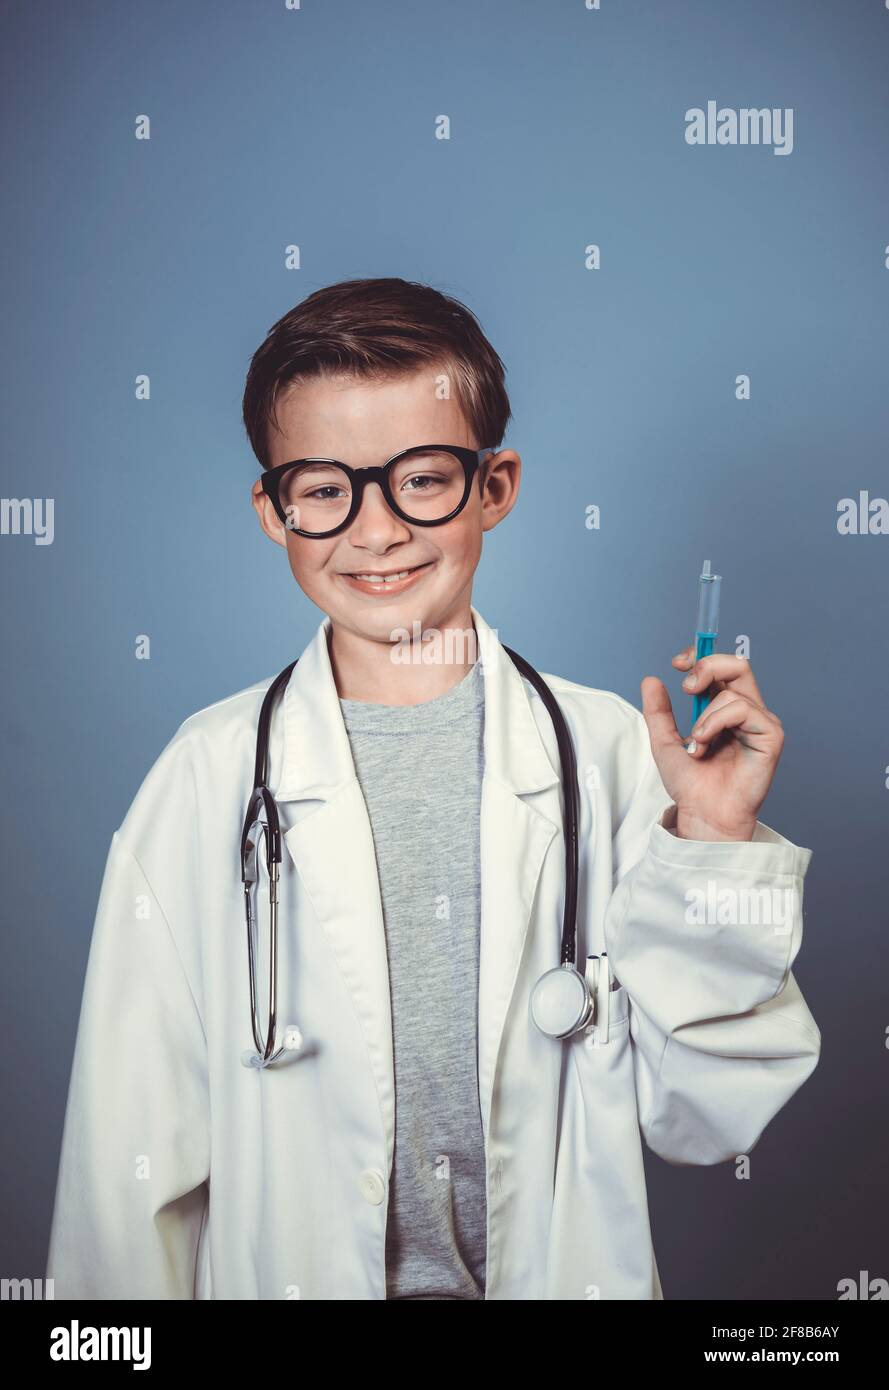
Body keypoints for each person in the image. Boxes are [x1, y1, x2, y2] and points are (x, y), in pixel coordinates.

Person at [47, 277, 821, 1300]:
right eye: (323, 488)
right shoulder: (205, 777)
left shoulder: (612, 758)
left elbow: (707, 1119)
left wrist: (715, 845)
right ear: (271, 511)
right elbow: (122, 1177)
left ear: (494, 485)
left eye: (420, 478)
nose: (374, 531)